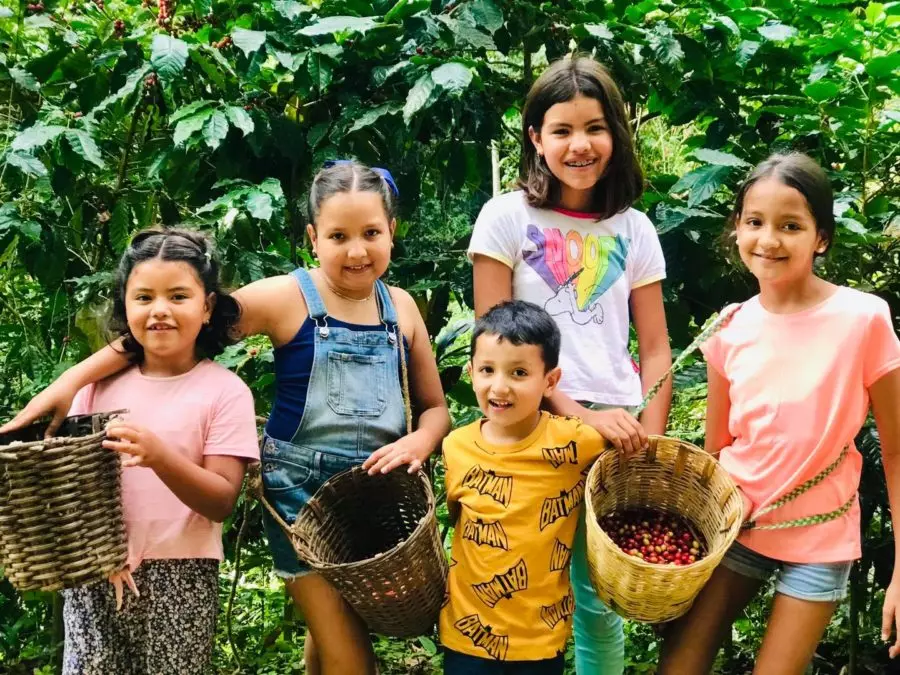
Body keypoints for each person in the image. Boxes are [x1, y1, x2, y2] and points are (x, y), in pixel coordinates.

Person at [2, 161, 452, 675]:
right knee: (350, 656)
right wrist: (73, 381)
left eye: (371, 233)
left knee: (333, 636)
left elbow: (434, 406)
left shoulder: (402, 308)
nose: (356, 250)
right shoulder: (288, 297)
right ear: (312, 237)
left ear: (392, 231)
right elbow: (175, 324)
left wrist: (421, 442)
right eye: (338, 235)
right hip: (299, 501)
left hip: (375, 498)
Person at [468, 55, 672, 672]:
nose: (579, 145)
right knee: (517, 587)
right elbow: (494, 345)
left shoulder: (635, 230)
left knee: (596, 600)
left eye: (595, 127)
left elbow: (656, 347)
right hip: (525, 430)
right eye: (561, 130)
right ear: (535, 137)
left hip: (613, 434)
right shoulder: (507, 218)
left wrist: (651, 435)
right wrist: (576, 412)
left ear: (616, 133)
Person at [658, 153, 900, 673]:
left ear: (821, 237)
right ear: (737, 231)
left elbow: (899, 455)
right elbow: (717, 448)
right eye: (754, 222)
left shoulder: (863, 319)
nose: (769, 239)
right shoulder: (730, 326)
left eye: (790, 225)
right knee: (679, 662)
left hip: (821, 536)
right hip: (742, 527)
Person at [62, 229, 257, 673]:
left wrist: (160, 456)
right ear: (125, 305)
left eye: (178, 296)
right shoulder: (94, 390)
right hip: (98, 571)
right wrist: (99, 554)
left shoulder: (224, 392)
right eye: (144, 297)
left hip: (182, 576)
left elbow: (222, 499)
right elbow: (74, 489)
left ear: (207, 308)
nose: (160, 310)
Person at [441, 300, 610, 674]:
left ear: (550, 381)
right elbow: (459, 519)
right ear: (471, 372)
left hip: (541, 638)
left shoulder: (578, 442)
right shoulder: (456, 446)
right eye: (487, 370)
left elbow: (625, 455)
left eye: (519, 372)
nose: (499, 386)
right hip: (466, 633)